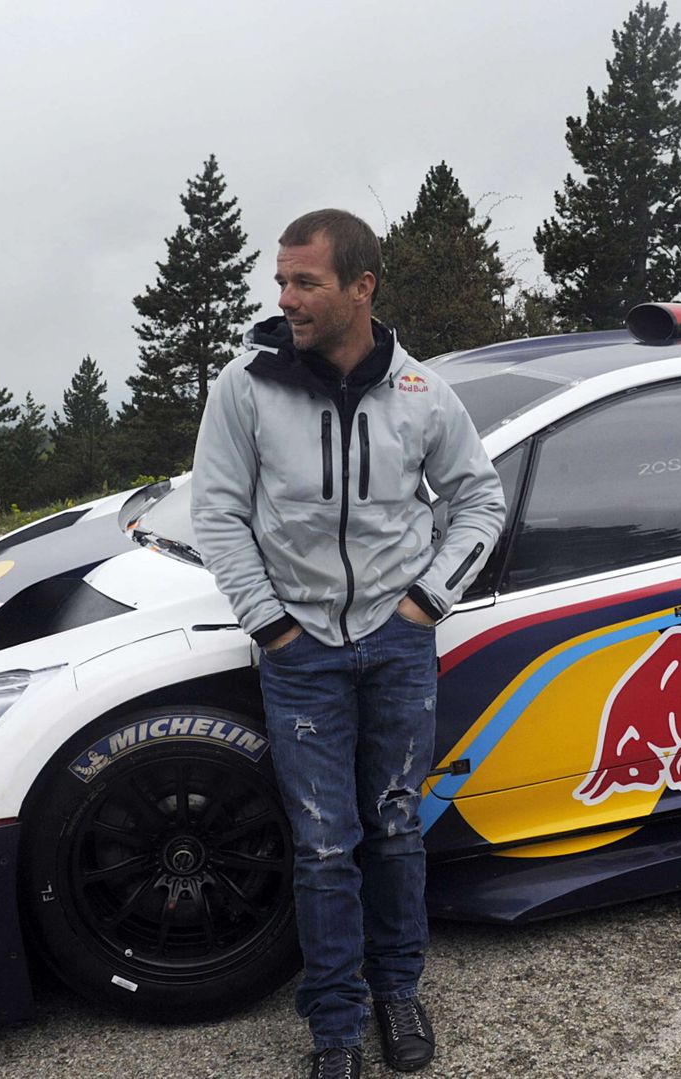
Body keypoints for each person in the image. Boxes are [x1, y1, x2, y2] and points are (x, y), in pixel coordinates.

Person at [189, 209, 506, 1078]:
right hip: (300, 652)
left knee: (396, 825)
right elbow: (216, 513)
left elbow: (479, 502)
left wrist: (426, 602)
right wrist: (273, 625)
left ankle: (397, 990)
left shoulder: (420, 392)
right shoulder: (245, 387)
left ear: (361, 287)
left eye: (306, 282)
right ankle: (334, 1029)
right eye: (281, 279)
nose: (285, 297)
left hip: (397, 645)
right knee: (325, 844)